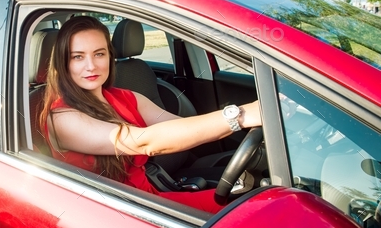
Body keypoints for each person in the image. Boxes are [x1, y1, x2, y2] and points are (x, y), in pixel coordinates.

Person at [39, 16, 262, 213]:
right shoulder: (61, 119)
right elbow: (145, 142)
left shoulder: (127, 97)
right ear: (63, 62)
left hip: (150, 197)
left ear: (109, 56)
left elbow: (181, 126)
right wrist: (240, 115)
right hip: (119, 214)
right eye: (77, 57)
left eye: (99, 54)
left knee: (255, 204)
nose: (91, 66)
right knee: (246, 213)